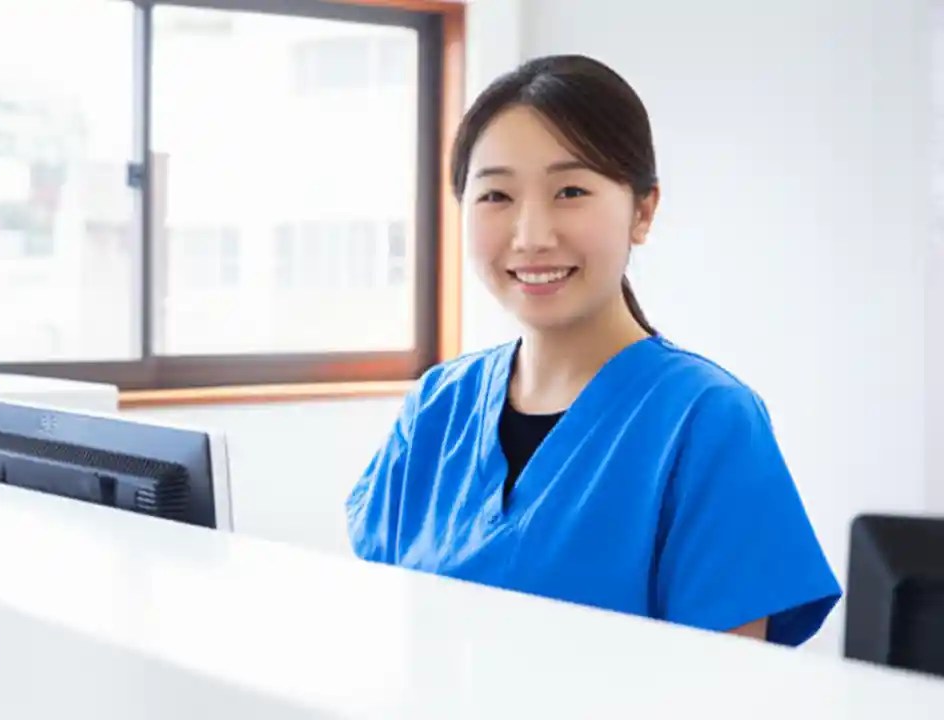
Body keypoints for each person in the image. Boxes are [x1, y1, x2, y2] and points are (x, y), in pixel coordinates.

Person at [345, 54, 841, 645]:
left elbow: (727, 694)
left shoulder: (708, 420)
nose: (531, 236)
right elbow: (382, 633)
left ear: (643, 210)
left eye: (571, 190)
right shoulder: (436, 407)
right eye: (496, 196)